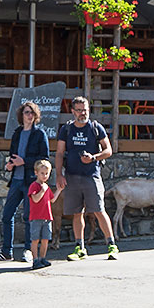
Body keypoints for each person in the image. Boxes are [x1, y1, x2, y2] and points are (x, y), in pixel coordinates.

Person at [55, 95, 119, 261]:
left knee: (98, 210)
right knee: (77, 213)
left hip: (91, 175)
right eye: (79, 110)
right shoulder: (66, 129)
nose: (83, 113)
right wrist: (58, 175)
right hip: (72, 176)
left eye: (85, 110)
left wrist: (93, 158)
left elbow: (108, 150)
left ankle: (112, 245)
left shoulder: (96, 127)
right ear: (72, 112)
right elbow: (60, 153)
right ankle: (80, 248)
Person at [0, 100, 49, 261]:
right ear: (21, 115)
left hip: (31, 180)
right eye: (26, 112)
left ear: (36, 115)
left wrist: (25, 161)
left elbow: (44, 158)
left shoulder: (39, 134)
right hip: (16, 179)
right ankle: (6, 251)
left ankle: (28, 251)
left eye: (32, 112)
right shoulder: (17, 133)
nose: (29, 115)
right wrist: (10, 165)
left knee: (29, 217)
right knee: (7, 215)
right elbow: (13, 154)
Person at [27, 160, 59, 269]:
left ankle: (42, 258)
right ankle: (35, 259)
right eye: (42, 173)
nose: (45, 176)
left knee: (46, 239)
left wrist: (59, 190)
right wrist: (42, 191)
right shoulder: (34, 186)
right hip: (36, 217)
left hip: (47, 217)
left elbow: (52, 199)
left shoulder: (46, 186)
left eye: (47, 173)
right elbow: (35, 199)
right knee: (35, 239)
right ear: (36, 173)